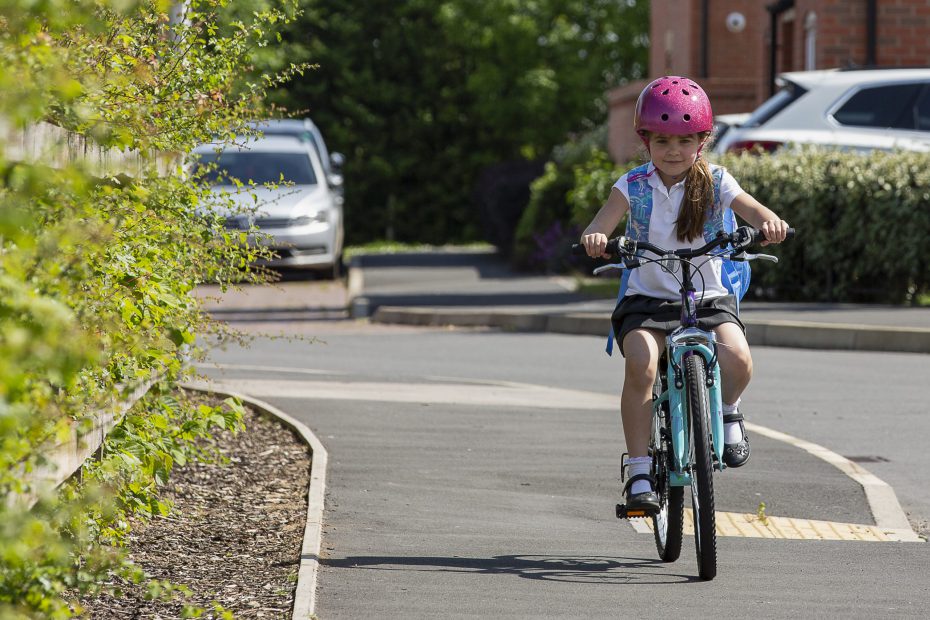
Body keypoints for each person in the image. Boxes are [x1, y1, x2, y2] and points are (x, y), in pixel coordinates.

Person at [580, 76, 790, 511]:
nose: (672, 151)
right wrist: (596, 238)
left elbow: (754, 210)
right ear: (646, 141)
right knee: (640, 363)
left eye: (684, 141)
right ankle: (639, 469)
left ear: (702, 141)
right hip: (647, 300)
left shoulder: (716, 180)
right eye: (662, 141)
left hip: (707, 297)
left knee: (739, 358)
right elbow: (600, 223)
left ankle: (729, 411)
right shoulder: (632, 185)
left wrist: (770, 224)